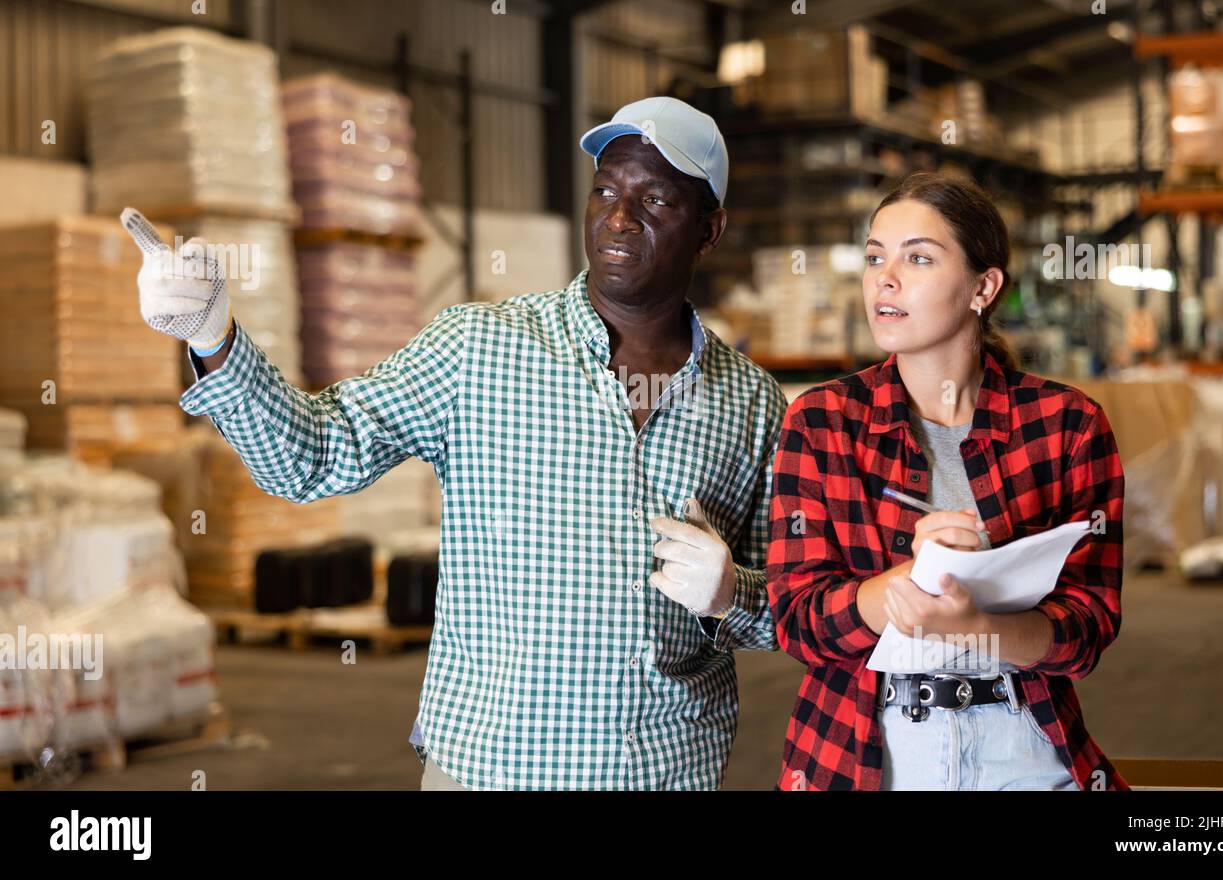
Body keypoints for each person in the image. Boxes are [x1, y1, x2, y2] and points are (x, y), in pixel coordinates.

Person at [124, 96, 786, 791]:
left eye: (656, 199)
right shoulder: (480, 349)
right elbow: (313, 456)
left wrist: (729, 595)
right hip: (489, 771)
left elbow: (796, 608)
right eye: (606, 190)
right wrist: (213, 338)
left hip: (663, 774)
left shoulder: (752, 405)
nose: (619, 218)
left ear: (709, 230)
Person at [766, 172, 1128, 791]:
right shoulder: (823, 422)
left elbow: (1087, 629)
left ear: (983, 287)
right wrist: (904, 586)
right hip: (871, 747)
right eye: (876, 256)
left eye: (919, 258)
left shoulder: (1067, 425)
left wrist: (974, 627)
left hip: (1021, 739)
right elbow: (796, 620)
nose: (885, 277)